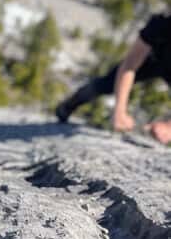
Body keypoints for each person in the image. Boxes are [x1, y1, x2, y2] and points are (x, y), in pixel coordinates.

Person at [55, 12, 171, 143]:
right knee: (104, 84)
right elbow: (129, 65)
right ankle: (70, 104)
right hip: (152, 60)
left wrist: (169, 127)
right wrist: (119, 111)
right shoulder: (162, 23)